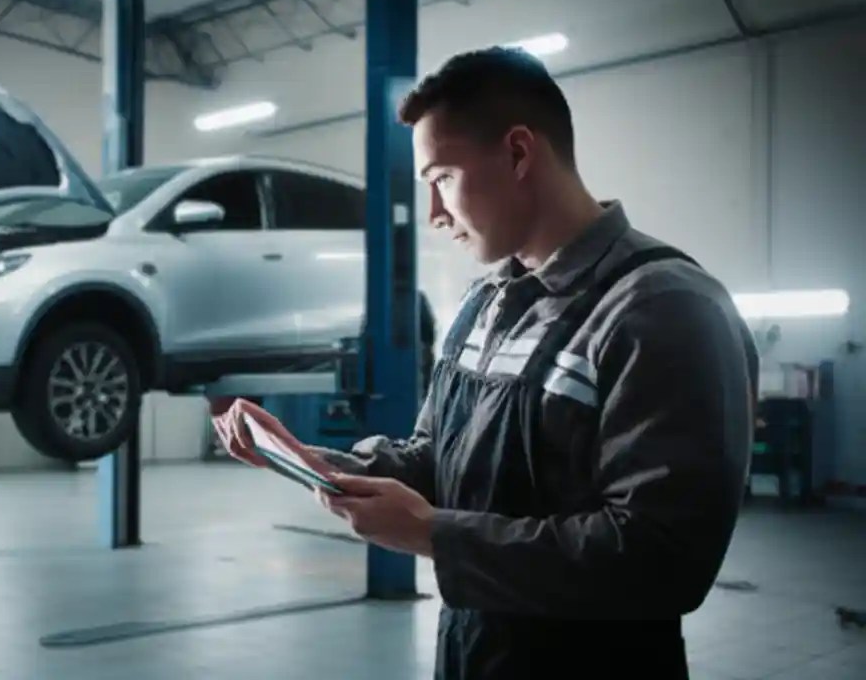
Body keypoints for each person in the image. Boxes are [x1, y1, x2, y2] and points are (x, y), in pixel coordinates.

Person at [215, 47, 758, 679]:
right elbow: (435, 456)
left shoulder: (664, 309)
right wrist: (317, 464)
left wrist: (433, 536)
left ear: (520, 153)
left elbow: (660, 560)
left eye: (441, 179)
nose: (435, 216)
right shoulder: (484, 306)